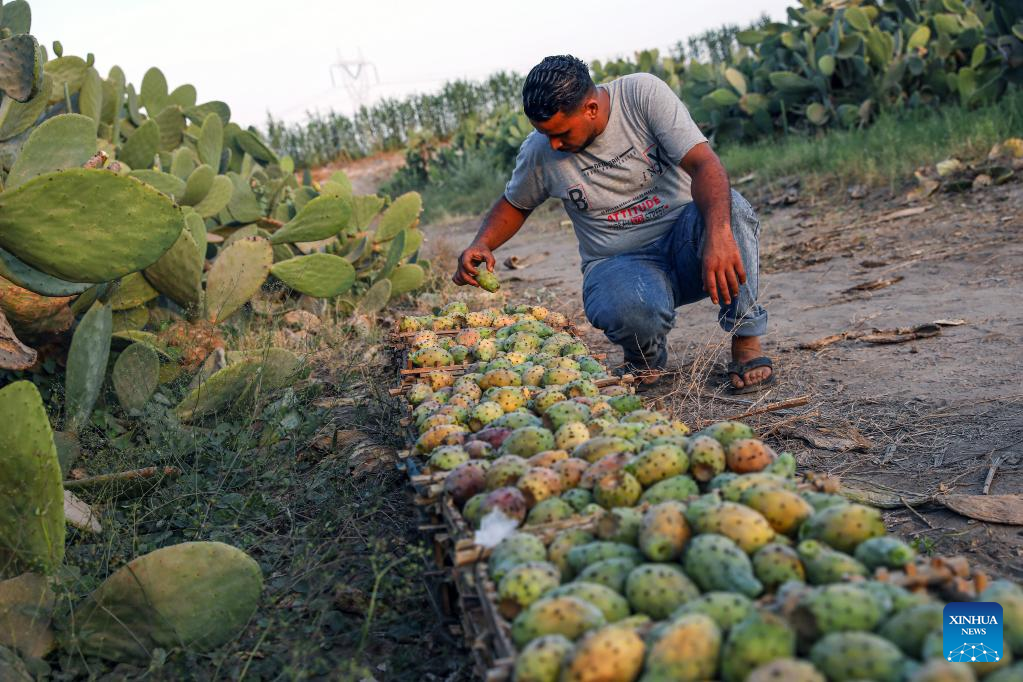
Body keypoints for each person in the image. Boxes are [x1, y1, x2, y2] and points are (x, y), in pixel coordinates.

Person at [452, 55, 773, 394]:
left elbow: (704, 164)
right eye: (545, 135)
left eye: (561, 133)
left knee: (731, 209)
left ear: (591, 108)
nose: (554, 145)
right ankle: (644, 356)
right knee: (626, 307)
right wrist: (482, 243)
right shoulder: (540, 150)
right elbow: (515, 204)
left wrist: (718, 236)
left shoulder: (642, 96)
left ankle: (746, 341)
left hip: (687, 243)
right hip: (620, 263)